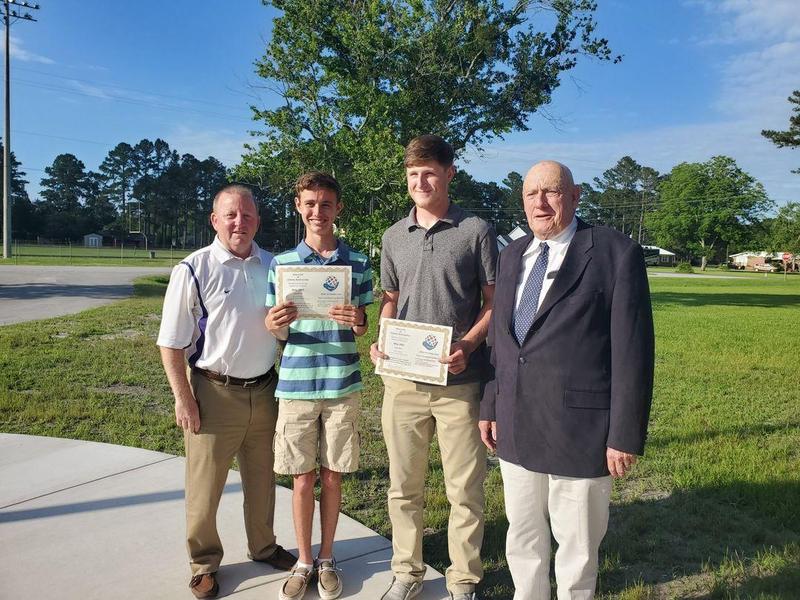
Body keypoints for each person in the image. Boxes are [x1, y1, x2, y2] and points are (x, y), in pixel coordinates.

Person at [479, 161, 655, 600]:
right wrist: (490, 405)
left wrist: (624, 434)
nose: (540, 202)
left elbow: (634, 351)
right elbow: (500, 343)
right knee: (523, 536)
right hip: (516, 422)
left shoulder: (615, 253)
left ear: (575, 196)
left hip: (582, 431)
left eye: (551, 192)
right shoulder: (512, 254)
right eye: (530, 194)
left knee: (576, 546)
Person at [370, 135, 498, 600]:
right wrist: (381, 339)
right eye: (412, 175)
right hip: (402, 382)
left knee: (463, 490)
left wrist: (467, 343)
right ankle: (408, 570)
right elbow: (388, 299)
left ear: (449, 173)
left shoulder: (476, 230)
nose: (420, 182)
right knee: (403, 486)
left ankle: (463, 579)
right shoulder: (392, 236)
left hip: (458, 383)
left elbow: (493, 302)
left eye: (428, 172)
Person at [158, 184, 297, 599]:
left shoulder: (274, 265)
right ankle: (203, 562)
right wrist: (184, 398)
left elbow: (288, 327)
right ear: (215, 220)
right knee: (205, 485)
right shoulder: (194, 269)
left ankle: (264, 545)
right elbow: (171, 343)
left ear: (258, 220)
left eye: (248, 215)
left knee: (262, 480)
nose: (241, 223)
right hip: (213, 393)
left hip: (265, 388)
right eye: (231, 215)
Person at [265, 172, 373, 600]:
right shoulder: (282, 264)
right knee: (301, 478)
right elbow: (277, 330)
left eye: (326, 204)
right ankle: (303, 561)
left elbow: (363, 326)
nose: (318, 211)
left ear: (338, 208)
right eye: (310, 204)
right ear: (298, 207)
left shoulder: (358, 263)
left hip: (342, 384)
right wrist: (274, 325)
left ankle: (328, 557)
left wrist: (359, 320)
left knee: (332, 476)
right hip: (295, 385)